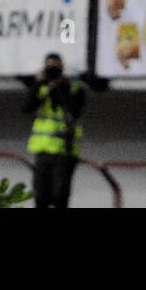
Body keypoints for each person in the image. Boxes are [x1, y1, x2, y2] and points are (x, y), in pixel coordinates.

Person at [23, 52, 86, 208]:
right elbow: (26, 108)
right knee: (40, 196)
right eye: (49, 68)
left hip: (65, 152)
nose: (52, 72)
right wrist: (39, 83)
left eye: (55, 68)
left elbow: (75, 111)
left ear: (62, 68)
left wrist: (60, 86)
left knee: (60, 197)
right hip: (43, 151)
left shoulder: (72, 87)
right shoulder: (42, 88)